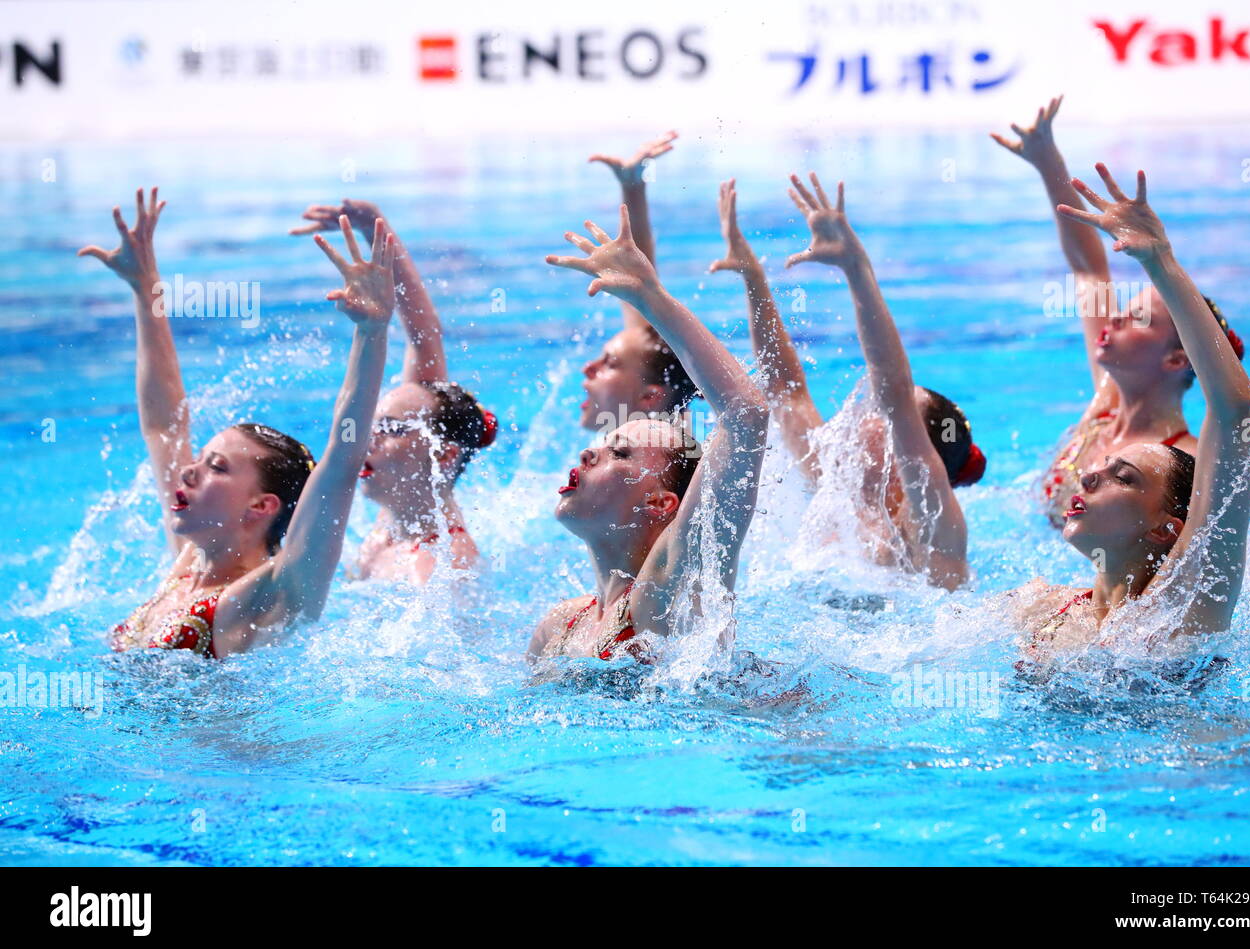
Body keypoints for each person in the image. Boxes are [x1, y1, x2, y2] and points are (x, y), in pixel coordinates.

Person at [80, 188, 396, 657]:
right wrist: (146, 290)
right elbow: (164, 426)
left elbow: (341, 462)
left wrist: (372, 332)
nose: (190, 470)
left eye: (217, 467)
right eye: (204, 461)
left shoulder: (270, 595)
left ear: (260, 506)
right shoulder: (188, 562)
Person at [1013, 165, 1250, 666]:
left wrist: (1160, 259)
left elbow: (1233, 409)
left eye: (1120, 476)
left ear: (1168, 528)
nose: (1090, 473)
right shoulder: (1050, 608)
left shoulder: (1182, 607)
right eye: (1103, 469)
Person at [710, 175, 982, 590]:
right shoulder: (835, 486)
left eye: (880, 411)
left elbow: (892, 388)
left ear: (911, 447)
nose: (862, 408)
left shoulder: (927, 526)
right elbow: (785, 391)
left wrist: (857, 269)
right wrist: (752, 277)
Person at [528, 205, 769, 663]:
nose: (586, 453)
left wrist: (653, 297)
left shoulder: (669, 592)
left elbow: (748, 416)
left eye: (618, 452)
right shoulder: (558, 627)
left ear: (660, 504)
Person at [992, 96, 1244, 527]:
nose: (1113, 321)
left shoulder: (1183, 463)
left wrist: (1160, 258)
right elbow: (1090, 271)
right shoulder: (1105, 400)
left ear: (1176, 358)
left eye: (1138, 318)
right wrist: (1048, 163)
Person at [291, 199, 496, 583]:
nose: (370, 438)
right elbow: (424, 336)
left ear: (443, 455)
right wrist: (375, 230)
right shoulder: (402, 510)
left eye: (393, 429)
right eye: (376, 425)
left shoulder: (435, 570)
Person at [578, 131, 696, 431]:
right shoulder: (654, 450)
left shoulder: (677, 471)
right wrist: (632, 187)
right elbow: (640, 287)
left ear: (650, 397)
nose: (588, 368)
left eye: (610, 363)